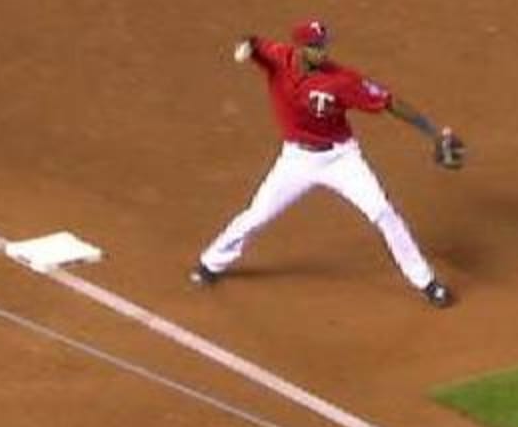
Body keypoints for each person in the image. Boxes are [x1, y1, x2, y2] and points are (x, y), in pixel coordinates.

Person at [190, 17, 467, 307]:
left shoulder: (343, 80)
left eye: (323, 45)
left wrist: (433, 132)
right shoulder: (279, 58)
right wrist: (245, 46)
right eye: (314, 46)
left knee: (383, 212)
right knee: (257, 214)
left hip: (341, 159)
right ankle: (210, 264)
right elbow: (254, 43)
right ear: (300, 47)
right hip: (296, 160)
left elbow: (388, 102)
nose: (321, 52)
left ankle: (427, 282)